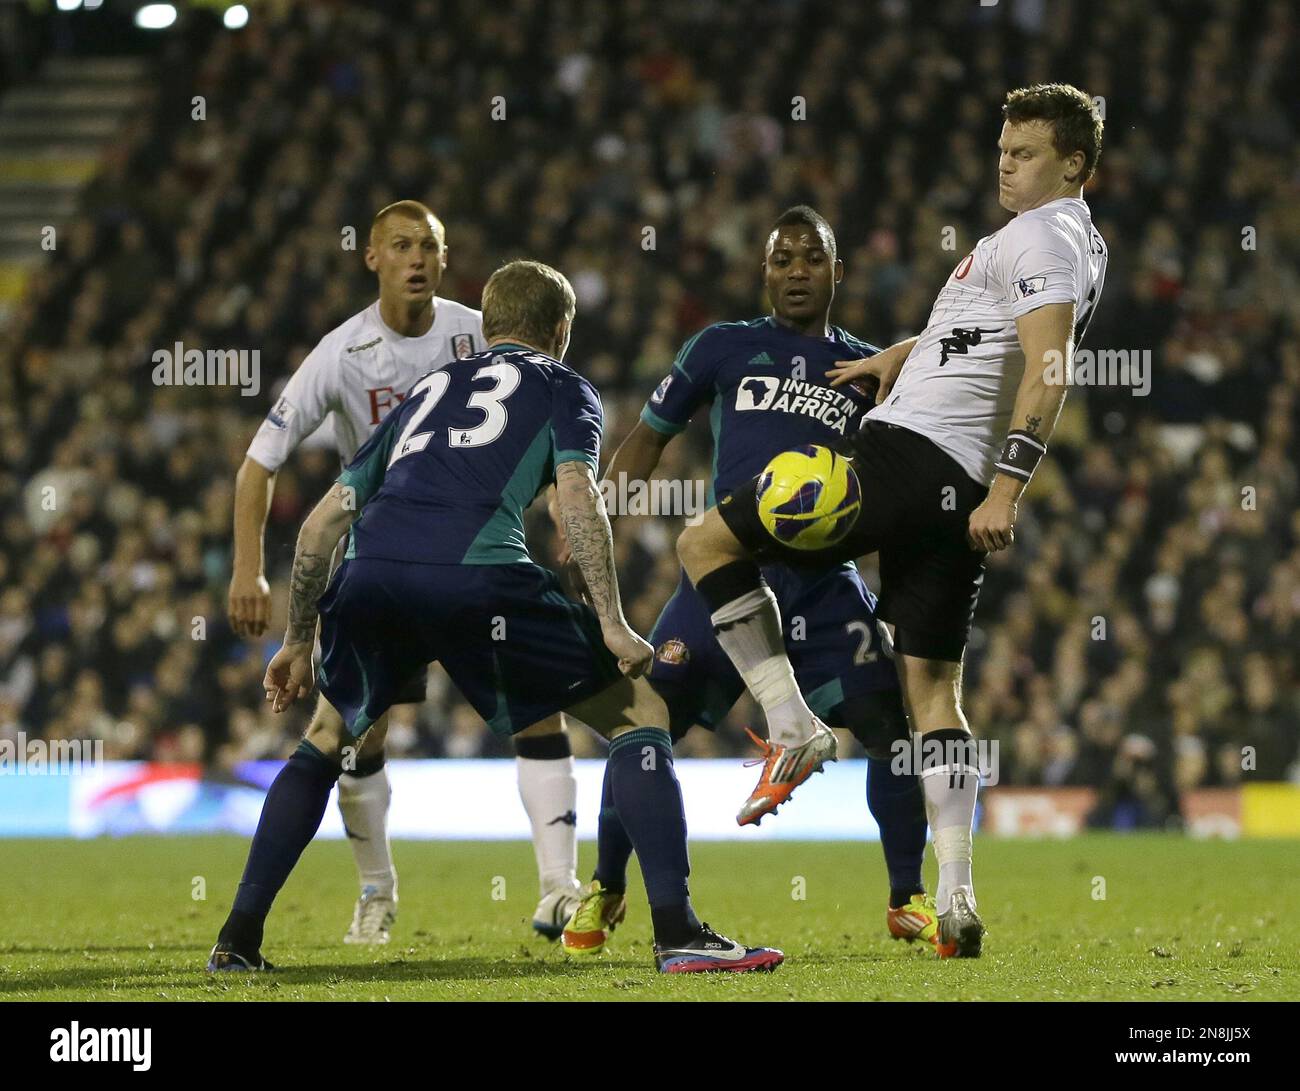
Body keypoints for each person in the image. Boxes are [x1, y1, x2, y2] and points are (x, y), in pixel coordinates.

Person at [207, 260, 782, 975]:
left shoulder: (425, 390)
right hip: (478, 575)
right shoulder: (564, 386)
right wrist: (610, 620)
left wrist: (297, 639)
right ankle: (678, 931)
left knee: (327, 735)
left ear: (484, 327)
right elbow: (578, 495)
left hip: (371, 572)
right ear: (561, 329)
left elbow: (326, 520)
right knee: (641, 714)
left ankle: (237, 938)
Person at [674, 84, 1109, 958]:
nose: (1005, 164)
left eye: (1024, 153)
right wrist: (896, 356)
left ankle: (791, 723)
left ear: (1073, 164)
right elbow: (979, 338)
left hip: (908, 461)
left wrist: (1009, 490)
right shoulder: (1068, 244)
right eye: (1001, 149)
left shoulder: (1044, 235)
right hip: (950, 486)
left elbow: (1047, 365)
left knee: (703, 539)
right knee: (931, 697)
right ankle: (954, 898)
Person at [560, 206, 936, 957]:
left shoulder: (870, 369)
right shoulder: (724, 347)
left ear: (839, 272)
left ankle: (906, 895)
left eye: (813, 259)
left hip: (824, 583)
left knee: (891, 729)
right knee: (646, 721)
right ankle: (605, 882)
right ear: (764, 272)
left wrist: (909, 352)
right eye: (783, 259)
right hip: (727, 573)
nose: (798, 271)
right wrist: (593, 520)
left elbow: (961, 367)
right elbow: (648, 440)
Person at [228, 201, 582, 944]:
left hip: (453, 550)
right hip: (384, 547)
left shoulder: (476, 332)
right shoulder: (341, 352)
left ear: (446, 260)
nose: (417, 259)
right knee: (362, 732)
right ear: (372, 258)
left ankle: (557, 888)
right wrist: (248, 570)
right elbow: (258, 464)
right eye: (401, 245)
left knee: (524, 708)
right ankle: (377, 890)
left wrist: (557, 509)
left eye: (429, 246)